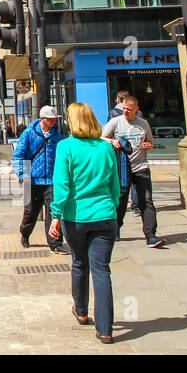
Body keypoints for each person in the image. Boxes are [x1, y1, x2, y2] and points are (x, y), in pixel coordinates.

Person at [49, 102, 121, 344]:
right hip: (105, 215)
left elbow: (62, 185)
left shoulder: (66, 147)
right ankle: (105, 329)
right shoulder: (106, 148)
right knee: (102, 270)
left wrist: (56, 216)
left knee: (80, 263)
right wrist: (112, 208)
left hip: (76, 217)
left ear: (72, 122)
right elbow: (115, 186)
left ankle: (81, 311)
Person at [103, 95, 164, 247]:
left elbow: (150, 141)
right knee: (120, 200)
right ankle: (115, 229)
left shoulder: (143, 124)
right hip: (122, 167)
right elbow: (102, 137)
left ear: (136, 109)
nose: (125, 111)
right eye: (123, 108)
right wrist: (113, 141)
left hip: (141, 166)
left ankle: (150, 235)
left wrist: (149, 145)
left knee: (146, 201)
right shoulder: (115, 122)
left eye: (129, 109)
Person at [11, 105, 68, 253]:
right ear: (43, 119)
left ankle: (55, 243)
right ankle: (25, 234)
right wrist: (23, 175)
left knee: (53, 212)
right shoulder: (29, 133)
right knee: (30, 212)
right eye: (51, 119)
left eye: (55, 119)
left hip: (52, 180)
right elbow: (18, 156)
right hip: (32, 180)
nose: (54, 121)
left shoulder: (57, 135)